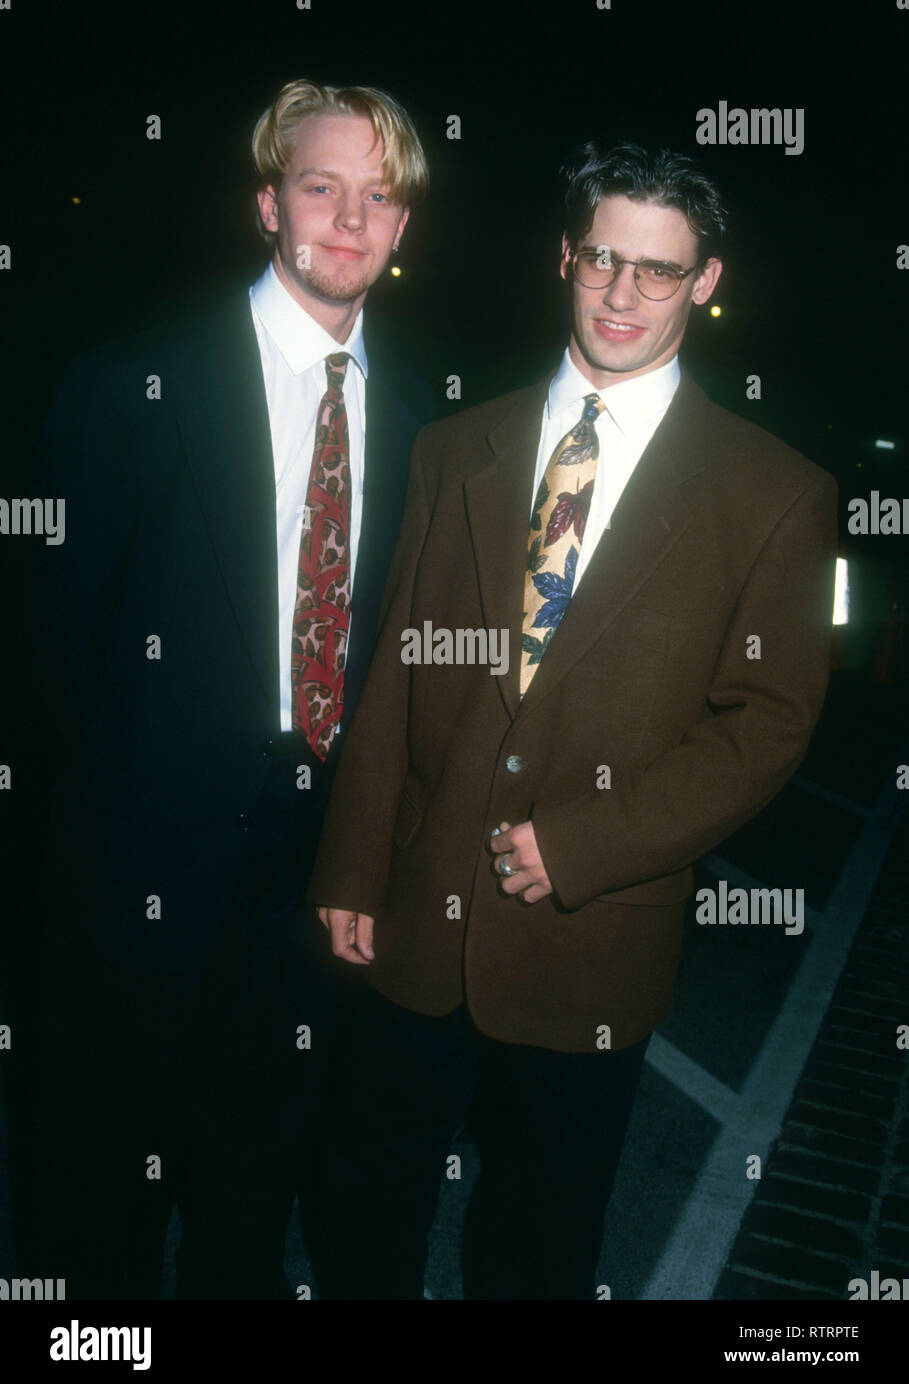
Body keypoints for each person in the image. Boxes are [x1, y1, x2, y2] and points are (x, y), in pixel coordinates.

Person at [308, 139, 839, 1300]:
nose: (621, 294)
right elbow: (394, 672)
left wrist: (585, 845)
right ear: (565, 256)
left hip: (592, 937)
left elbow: (767, 724)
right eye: (602, 258)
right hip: (415, 909)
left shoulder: (776, 493)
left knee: (542, 1237)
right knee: (366, 1197)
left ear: (705, 281)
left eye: (658, 270)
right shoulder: (457, 446)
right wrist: (351, 866)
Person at [22, 78, 432, 1299]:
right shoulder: (128, 387)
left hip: (315, 892)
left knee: (248, 1194)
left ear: (405, 226)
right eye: (322, 186)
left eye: (381, 196)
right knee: (101, 1198)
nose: (351, 220)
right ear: (269, 203)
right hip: (138, 878)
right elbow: (51, 659)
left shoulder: (423, 429)